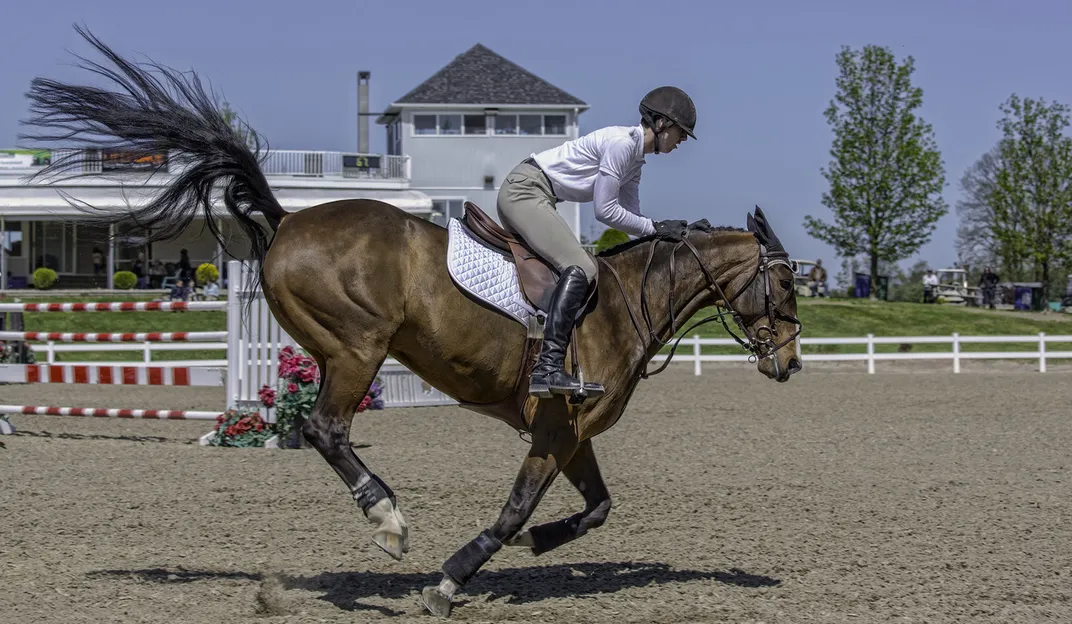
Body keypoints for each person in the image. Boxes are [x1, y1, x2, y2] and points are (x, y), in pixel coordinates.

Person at [497, 86, 700, 399]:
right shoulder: (621, 146)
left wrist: (678, 234)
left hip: (539, 195)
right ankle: (547, 368)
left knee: (581, 269)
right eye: (680, 132)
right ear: (660, 124)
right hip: (525, 192)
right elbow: (605, 211)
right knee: (581, 267)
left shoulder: (635, 160)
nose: (682, 140)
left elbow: (633, 218)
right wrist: (655, 227)